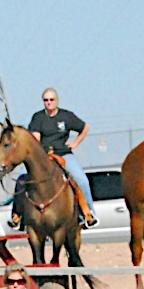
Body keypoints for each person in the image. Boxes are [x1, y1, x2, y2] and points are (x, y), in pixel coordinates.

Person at [26, 88, 96, 226]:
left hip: (63, 154)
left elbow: (85, 127)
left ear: (56, 101)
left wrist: (75, 143)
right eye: (46, 100)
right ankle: (18, 216)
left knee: (81, 180)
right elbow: (35, 138)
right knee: (22, 178)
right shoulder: (38, 118)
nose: (48, 102)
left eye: (51, 100)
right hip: (43, 156)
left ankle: (88, 213)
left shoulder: (66, 116)